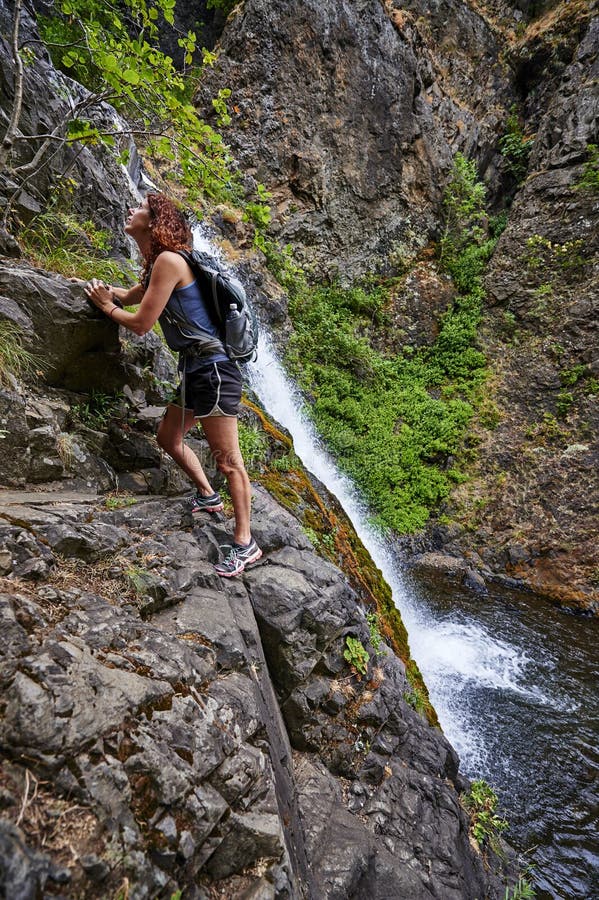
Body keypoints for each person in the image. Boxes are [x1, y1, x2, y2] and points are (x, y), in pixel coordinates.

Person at [85, 192, 261, 577]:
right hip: (198, 370)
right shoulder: (157, 265)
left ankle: (246, 543)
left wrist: (105, 308)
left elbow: (141, 323)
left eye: (139, 209)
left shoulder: (169, 260)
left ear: (153, 221)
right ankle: (207, 495)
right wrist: (97, 289)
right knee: (170, 437)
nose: (130, 211)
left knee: (229, 461)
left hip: (214, 370)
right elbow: (130, 295)